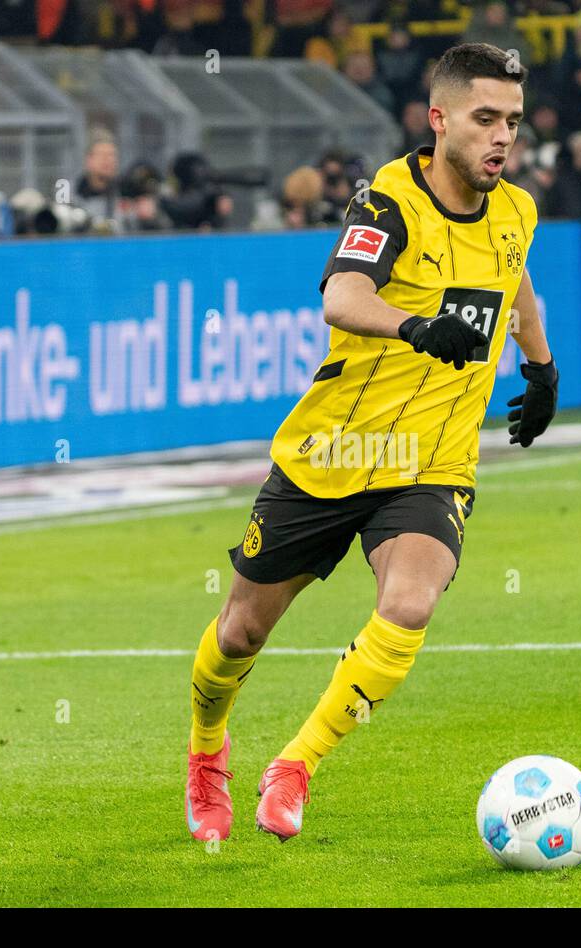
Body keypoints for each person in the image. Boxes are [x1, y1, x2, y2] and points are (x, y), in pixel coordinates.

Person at [183, 43, 558, 844]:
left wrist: (542, 365)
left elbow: (518, 279)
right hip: (334, 453)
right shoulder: (388, 200)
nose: (502, 138)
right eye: (485, 119)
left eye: (513, 123)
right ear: (439, 119)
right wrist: (418, 325)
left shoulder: (517, 209)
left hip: (432, 462)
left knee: (411, 602)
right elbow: (343, 298)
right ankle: (207, 752)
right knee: (241, 632)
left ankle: (296, 766)